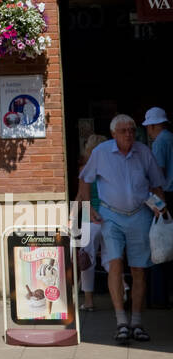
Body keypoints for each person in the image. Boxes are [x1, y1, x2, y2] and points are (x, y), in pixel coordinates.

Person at [78, 114, 168, 344]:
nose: (129, 134)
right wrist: (88, 210)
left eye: (131, 129)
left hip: (140, 215)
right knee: (115, 264)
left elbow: (157, 184)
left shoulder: (143, 152)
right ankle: (121, 322)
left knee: (139, 270)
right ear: (113, 134)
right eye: (124, 130)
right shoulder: (101, 153)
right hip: (111, 216)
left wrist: (160, 207)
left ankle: (136, 322)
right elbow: (84, 179)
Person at [74, 133, 107, 313]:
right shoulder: (111, 167)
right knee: (112, 259)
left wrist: (71, 217)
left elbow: (80, 196)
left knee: (87, 261)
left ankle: (88, 301)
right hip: (110, 218)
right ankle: (123, 288)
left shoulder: (86, 169)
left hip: (89, 219)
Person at [145, 107, 173, 308]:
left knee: (159, 245)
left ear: (154, 125)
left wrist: (155, 204)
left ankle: (159, 298)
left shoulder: (160, 142)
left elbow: (158, 176)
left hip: (164, 196)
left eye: (148, 126)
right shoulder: (171, 138)